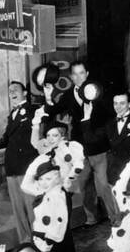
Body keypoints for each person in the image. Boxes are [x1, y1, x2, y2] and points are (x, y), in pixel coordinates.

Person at [48, 59, 113, 225]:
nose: (78, 77)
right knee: (84, 185)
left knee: (104, 185)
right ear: (70, 76)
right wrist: (49, 98)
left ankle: (115, 218)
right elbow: (54, 110)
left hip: (99, 147)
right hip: (80, 149)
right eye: (75, 74)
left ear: (87, 74)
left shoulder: (98, 92)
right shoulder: (68, 95)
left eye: (81, 73)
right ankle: (91, 218)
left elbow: (108, 115)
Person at [20, 136, 79, 252]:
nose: (44, 183)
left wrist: (47, 242)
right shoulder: (43, 190)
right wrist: (42, 158)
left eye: (48, 179)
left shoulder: (59, 194)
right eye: (41, 180)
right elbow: (26, 184)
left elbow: (58, 227)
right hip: (45, 239)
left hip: (51, 240)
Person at [0, 79, 38, 243]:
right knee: (18, 209)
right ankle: (25, 241)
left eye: (15, 90)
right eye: (10, 90)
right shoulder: (11, 114)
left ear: (25, 93)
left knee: (31, 206)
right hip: (12, 166)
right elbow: (6, 140)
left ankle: (38, 240)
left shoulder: (33, 110)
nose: (12, 93)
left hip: (27, 167)